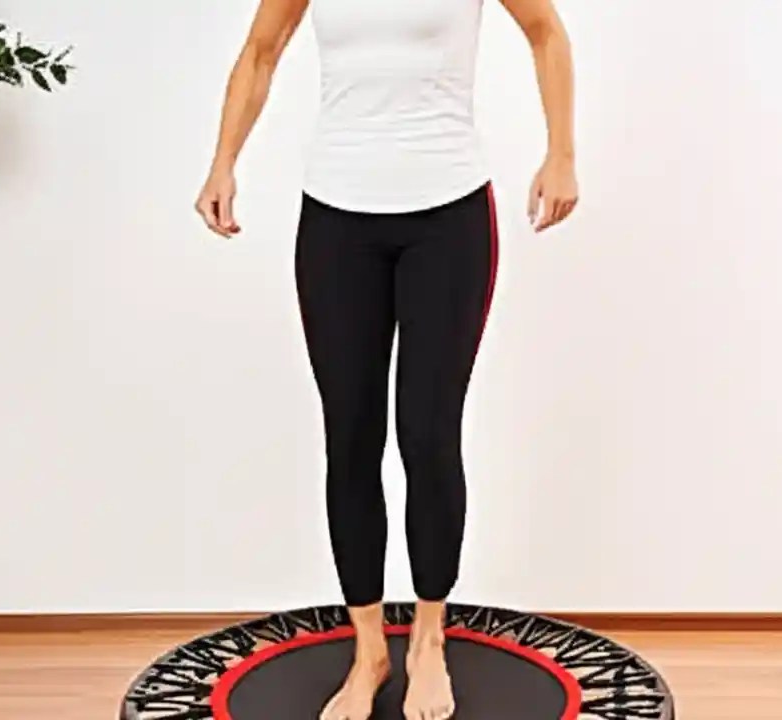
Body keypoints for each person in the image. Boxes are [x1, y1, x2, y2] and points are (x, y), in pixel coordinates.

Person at [194, 0, 576, 717]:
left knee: (428, 437)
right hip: (336, 218)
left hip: (449, 213)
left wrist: (561, 152)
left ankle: (428, 640)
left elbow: (546, 31)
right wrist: (223, 162)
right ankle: (369, 648)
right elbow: (260, 49)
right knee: (351, 438)